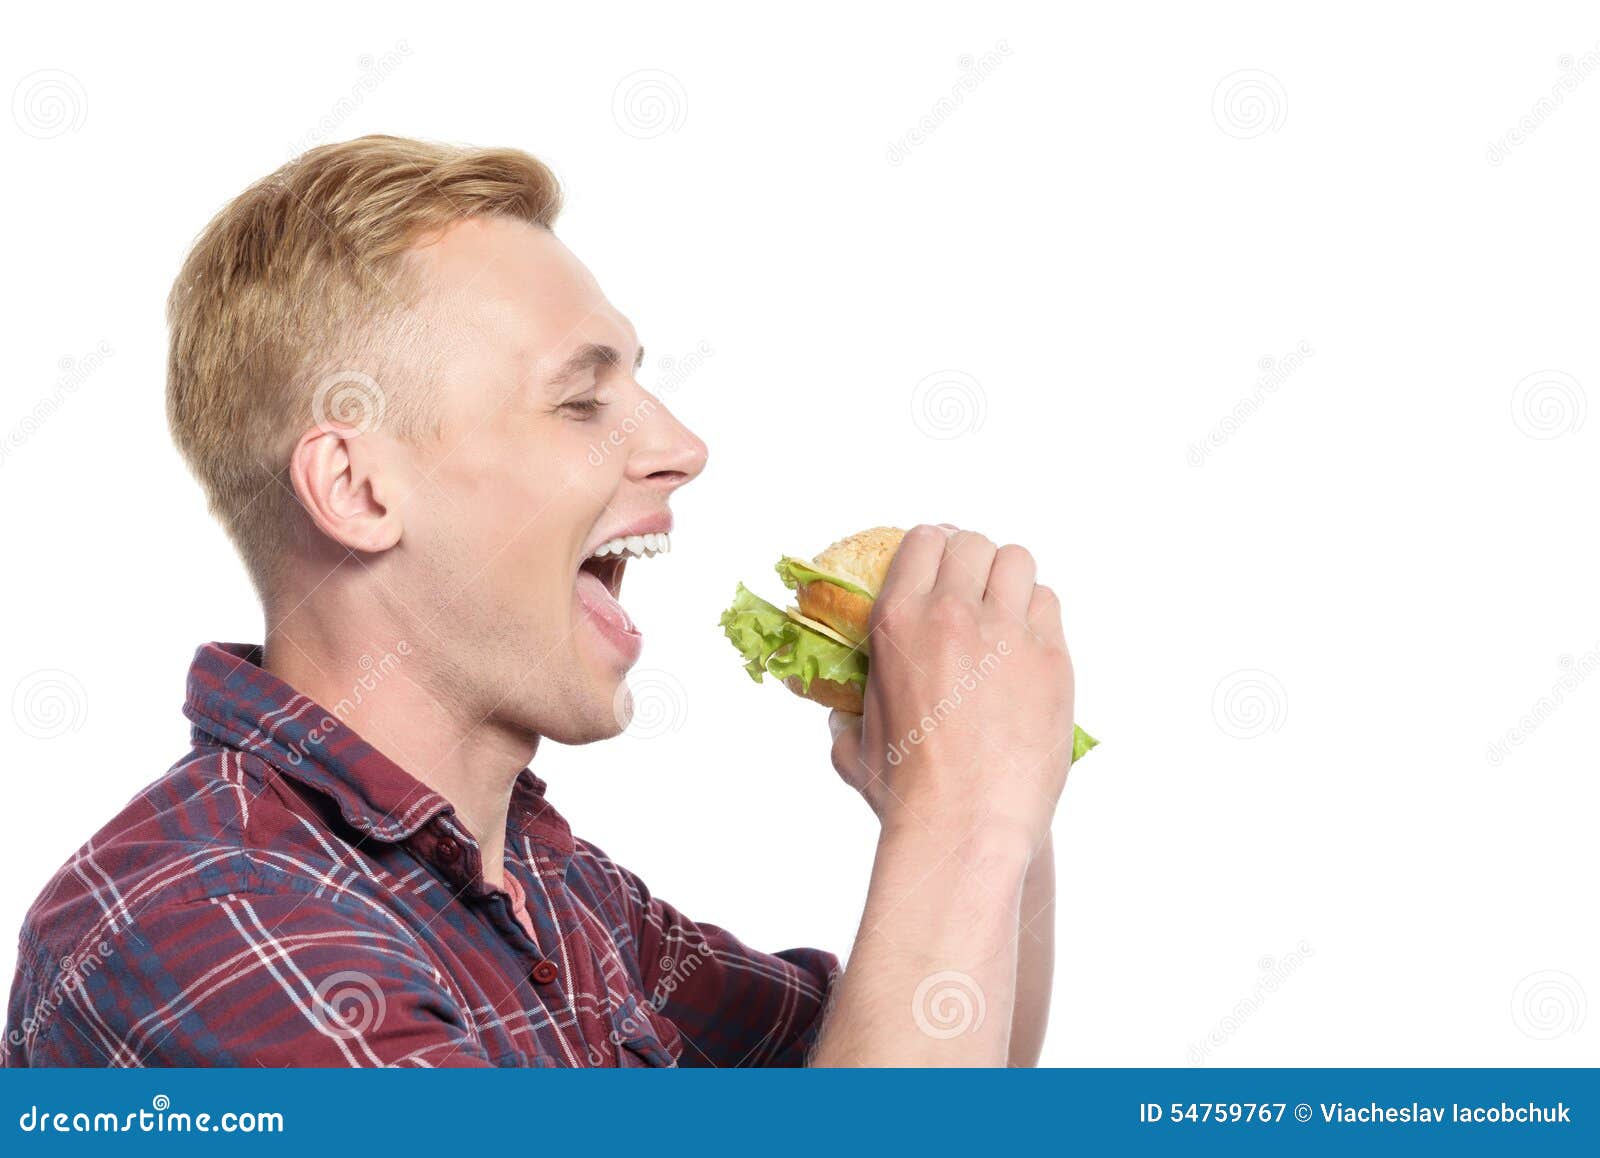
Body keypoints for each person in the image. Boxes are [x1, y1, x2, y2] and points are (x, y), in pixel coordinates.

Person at [2, 136, 1078, 1067]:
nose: (679, 448)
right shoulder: (210, 919)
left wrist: (1000, 805)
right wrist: (959, 816)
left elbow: (942, 1057)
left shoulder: (553, 894)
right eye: (580, 400)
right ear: (358, 489)